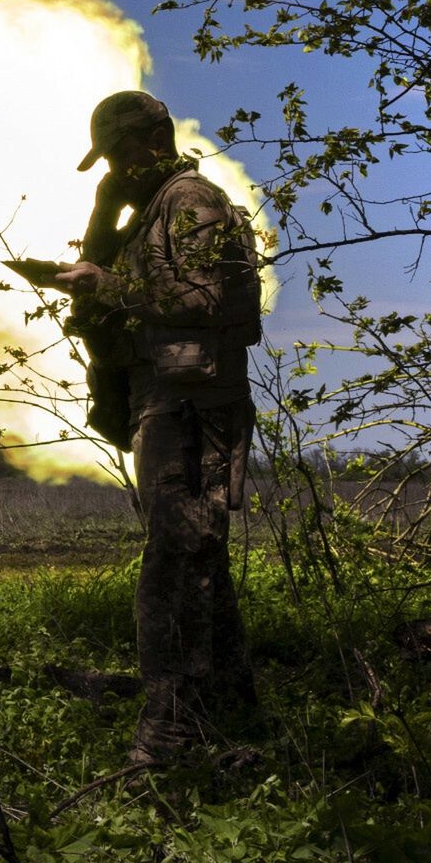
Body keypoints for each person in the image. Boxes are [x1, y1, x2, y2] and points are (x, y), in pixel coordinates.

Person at [54, 90, 263, 766]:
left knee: (174, 561)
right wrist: (102, 218)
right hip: (169, 403)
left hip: (192, 406)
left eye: (120, 153)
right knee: (198, 555)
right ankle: (231, 702)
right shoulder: (149, 210)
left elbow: (200, 299)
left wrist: (107, 286)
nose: (115, 166)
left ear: (153, 140)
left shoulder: (189, 200)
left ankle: (170, 729)